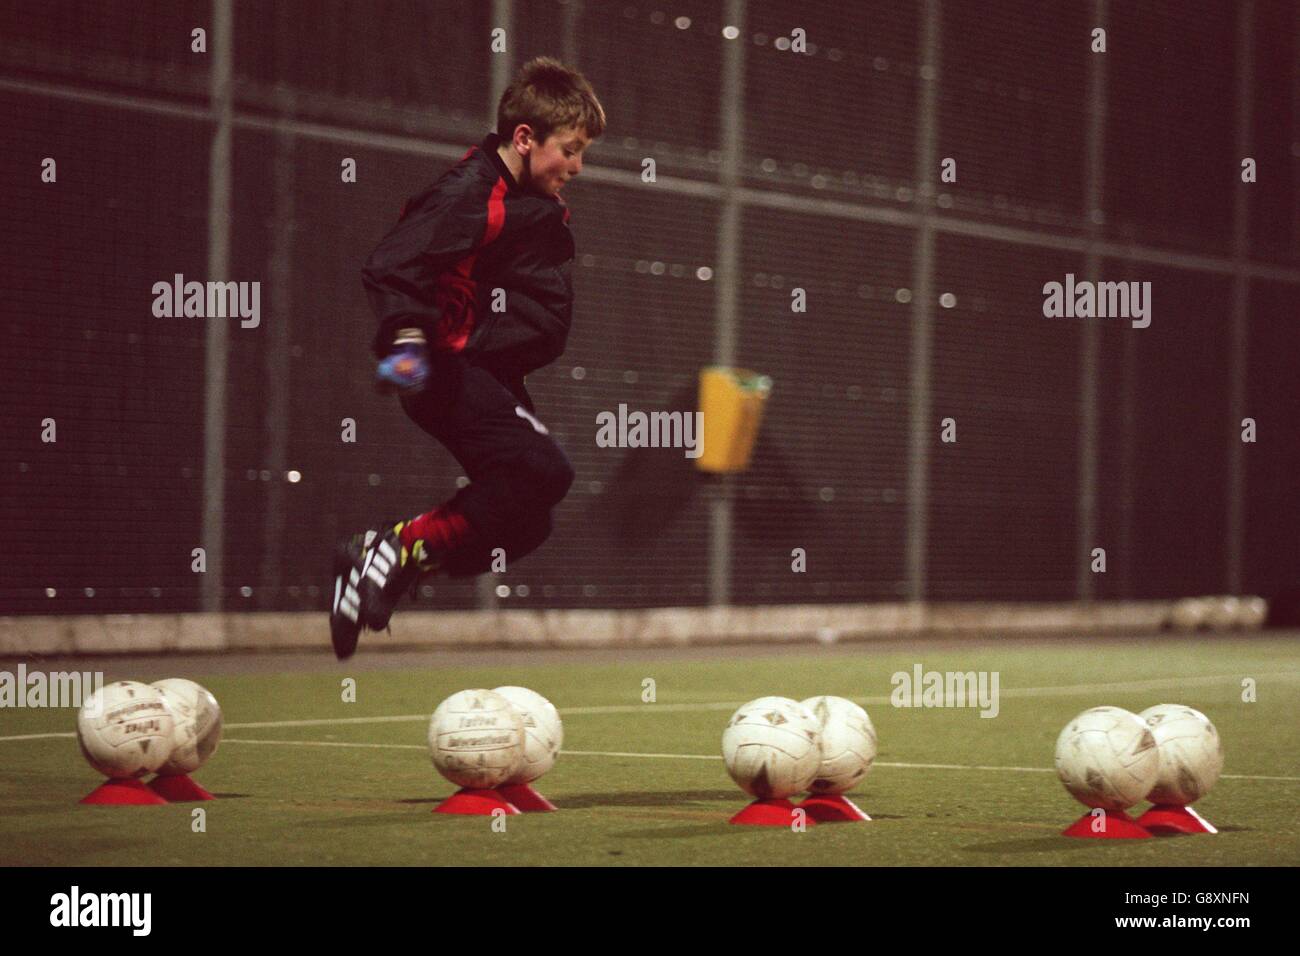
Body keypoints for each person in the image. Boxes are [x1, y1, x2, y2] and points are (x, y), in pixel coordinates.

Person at [330, 57, 606, 659]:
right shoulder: (471, 195)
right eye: (572, 148)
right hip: (447, 368)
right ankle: (392, 548)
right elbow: (393, 261)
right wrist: (405, 338)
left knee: (527, 521)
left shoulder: (517, 196)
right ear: (525, 138)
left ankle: (394, 566)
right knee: (547, 471)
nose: (579, 166)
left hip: (486, 372)